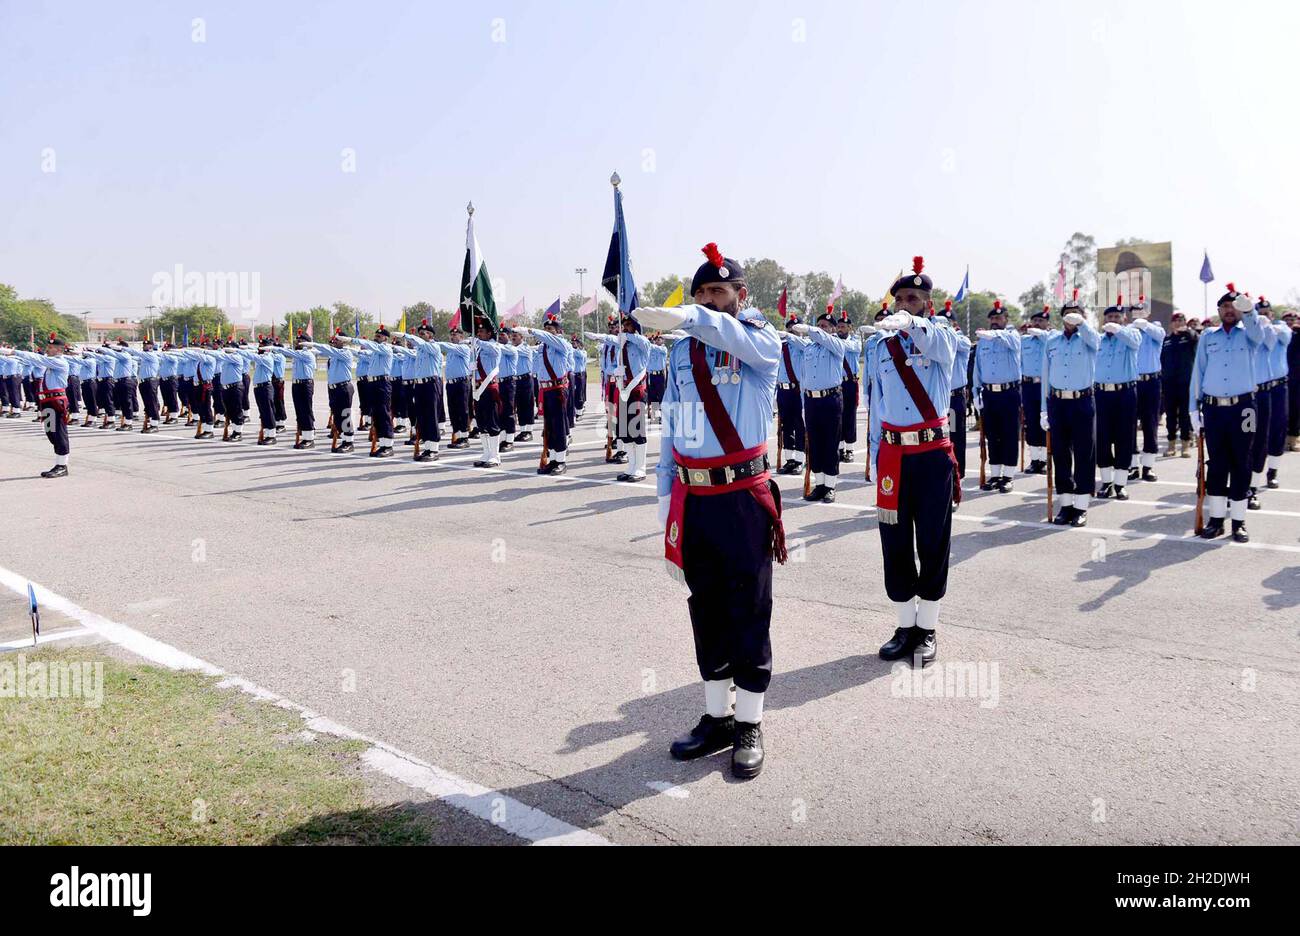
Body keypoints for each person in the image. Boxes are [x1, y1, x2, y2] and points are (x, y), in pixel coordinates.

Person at [637, 243, 783, 780]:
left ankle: (750, 722)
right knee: (707, 608)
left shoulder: (759, 342)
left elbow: (743, 342)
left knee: (749, 607)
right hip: (696, 498)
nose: (708, 299)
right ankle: (717, 715)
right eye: (700, 292)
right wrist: (663, 494)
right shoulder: (681, 355)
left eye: (719, 291)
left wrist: (694, 316)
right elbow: (675, 429)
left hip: (743, 498)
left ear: (741, 297)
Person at [867, 257, 959, 668]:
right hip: (893, 455)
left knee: (933, 543)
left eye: (914, 299)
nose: (905, 303)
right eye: (900, 298)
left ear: (928, 303)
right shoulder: (879, 346)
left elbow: (932, 340)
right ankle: (905, 626)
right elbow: (876, 403)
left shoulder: (941, 337)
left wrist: (908, 323)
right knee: (895, 542)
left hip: (930, 455)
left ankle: (928, 627)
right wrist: (874, 454)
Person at [1188, 284, 1265, 542]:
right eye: (1225, 307)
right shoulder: (1209, 336)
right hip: (1213, 409)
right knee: (1217, 464)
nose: (1229, 310)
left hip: (1244, 408)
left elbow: (1259, 332)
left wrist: (1250, 310)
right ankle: (1217, 520)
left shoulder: (1250, 333)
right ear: (1219, 310)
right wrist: (1193, 409)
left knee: (1242, 462)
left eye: (1233, 307)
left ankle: (1239, 522)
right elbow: (1198, 373)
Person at [1042, 290, 1100, 526]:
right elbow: (1045, 375)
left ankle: (1081, 507)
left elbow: (1096, 342)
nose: (1072, 318)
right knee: (1061, 455)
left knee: (1084, 454)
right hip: (1057, 402)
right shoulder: (1052, 341)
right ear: (1061, 318)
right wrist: (1043, 409)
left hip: (1082, 401)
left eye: (1077, 314)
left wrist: (1083, 324)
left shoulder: (1088, 338)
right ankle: (1065, 505)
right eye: (1068, 314)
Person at [787, 307, 853, 502]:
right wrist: (803, 402)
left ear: (832, 329)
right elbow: (804, 377)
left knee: (830, 443)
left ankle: (831, 486)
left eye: (825, 326)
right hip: (811, 400)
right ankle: (820, 484)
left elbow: (821, 338)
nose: (821, 328)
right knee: (815, 444)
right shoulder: (808, 348)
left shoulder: (837, 345)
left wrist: (809, 329)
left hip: (830, 399)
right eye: (819, 325)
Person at [1093, 297, 1141, 500]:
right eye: (1109, 317)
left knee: (1124, 437)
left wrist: (1119, 330)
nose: (1113, 320)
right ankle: (1106, 482)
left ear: (1124, 318)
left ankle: (1121, 484)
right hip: (1102, 393)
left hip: (1125, 393)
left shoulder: (1132, 334)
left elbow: (1135, 342)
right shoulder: (1098, 340)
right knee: (1102, 438)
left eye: (1117, 317)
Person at [972, 300, 1022, 491]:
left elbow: (1011, 342)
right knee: (993, 435)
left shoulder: (1012, 336)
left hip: (1009, 393)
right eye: (992, 318)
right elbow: (977, 368)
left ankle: (1008, 476)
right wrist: (976, 393)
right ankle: (995, 475)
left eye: (998, 318)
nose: (995, 321)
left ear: (1006, 320)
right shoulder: (984, 340)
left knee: (1009, 434)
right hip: (989, 394)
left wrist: (994, 334)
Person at [522, 308, 573, 475]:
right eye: (546, 329)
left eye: (551, 329)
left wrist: (531, 331)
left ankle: (561, 461)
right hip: (546, 389)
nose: (548, 332)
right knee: (549, 426)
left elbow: (548, 339)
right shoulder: (542, 347)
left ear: (558, 332)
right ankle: (552, 459)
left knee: (559, 425)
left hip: (558, 389)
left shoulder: (561, 344)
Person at [391, 320, 446, 462]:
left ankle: (434, 448)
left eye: (423, 333)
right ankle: (427, 447)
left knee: (431, 416)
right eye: (419, 334)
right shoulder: (420, 350)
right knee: (422, 416)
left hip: (430, 385)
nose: (420, 336)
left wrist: (406, 336)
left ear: (431, 335)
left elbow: (421, 344)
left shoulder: (434, 347)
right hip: (419, 385)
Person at [1127, 295, 1166, 482]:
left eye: (1142, 310)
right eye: (1135, 310)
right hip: (1132, 382)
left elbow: (1160, 335)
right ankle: (1133, 465)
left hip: (1151, 382)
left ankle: (1148, 465)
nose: (1139, 314)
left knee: (1150, 424)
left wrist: (1145, 325)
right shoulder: (1127, 331)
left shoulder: (1155, 329)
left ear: (1148, 313)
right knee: (1130, 424)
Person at [346, 327, 396, 457]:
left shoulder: (386, 348)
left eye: (379, 337)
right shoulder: (375, 351)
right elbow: (363, 353)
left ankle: (388, 445)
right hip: (373, 383)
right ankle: (382, 442)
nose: (376, 338)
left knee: (384, 413)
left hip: (382, 383)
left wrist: (352, 340)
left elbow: (371, 346)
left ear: (385, 338)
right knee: (377, 414)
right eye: (376, 336)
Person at [305, 330, 357, 453]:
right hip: (334, 388)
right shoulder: (334, 354)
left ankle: (349, 442)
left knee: (345, 414)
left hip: (344, 387)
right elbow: (321, 351)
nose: (335, 341)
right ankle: (344, 438)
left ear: (344, 341)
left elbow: (326, 349)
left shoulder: (346, 353)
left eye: (338, 339)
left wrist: (313, 344)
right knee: (337, 415)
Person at [1019, 305, 1052, 474]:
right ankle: (1035, 459)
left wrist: (1038, 332)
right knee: (1031, 422)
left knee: (1045, 422)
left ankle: (1046, 459)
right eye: (1035, 320)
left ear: (1048, 323)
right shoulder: (1024, 341)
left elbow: (1048, 336)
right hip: (1028, 385)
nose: (1037, 323)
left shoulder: (1051, 338)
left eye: (1041, 321)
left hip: (1045, 385)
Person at [271, 332, 319, 448]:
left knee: (306, 410)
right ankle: (305, 433)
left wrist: (273, 348)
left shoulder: (307, 354)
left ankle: (309, 438)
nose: (297, 342)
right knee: (299, 411)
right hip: (297, 385)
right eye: (297, 340)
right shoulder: (298, 354)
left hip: (305, 385)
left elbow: (289, 352)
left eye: (300, 340)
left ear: (306, 343)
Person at [1160, 311, 1197, 457]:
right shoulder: (1167, 340)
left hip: (1185, 382)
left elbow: (1196, 338)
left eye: (1181, 320)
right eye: (1176, 320)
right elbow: (1161, 360)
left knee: (1184, 415)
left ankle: (1185, 445)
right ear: (1171, 323)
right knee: (1170, 415)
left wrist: (1188, 330)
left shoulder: (1189, 337)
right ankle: (1171, 445)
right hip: (1169, 383)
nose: (1178, 323)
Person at [470, 317, 503, 467]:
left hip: (489, 387)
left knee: (492, 421)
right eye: (478, 332)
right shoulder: (478, 349)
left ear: (489, 333)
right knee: (481, 422)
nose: (479, 334)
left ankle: (495, 455)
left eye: (482, 332)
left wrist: (477, 342)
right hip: (478, 389)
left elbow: (494, 350)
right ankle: (486, 453)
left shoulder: (493, 346)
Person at [775, 314, 805, 475]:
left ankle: (800, 460)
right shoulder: (782, 347)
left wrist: (790, 336)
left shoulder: (804, 345)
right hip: (783, 391)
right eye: (789, 330)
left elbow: (804, 344)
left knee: (800, 426)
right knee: (785, 426)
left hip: (798, 390)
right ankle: (790, 460)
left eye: (794, 330)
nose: (791, 333)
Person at [834, 310, 863, 463]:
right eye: (838, 326)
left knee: (849, 416)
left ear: (850, 328)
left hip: (850, 382)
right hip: (837, 383)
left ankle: (850, 449)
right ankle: (839, 448)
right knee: (838, 416)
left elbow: (852, 348)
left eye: (843, 327)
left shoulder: (856, 341)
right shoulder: (833, 340)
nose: (840, 329)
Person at [442, 324, 474, 448]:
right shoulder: (451, 350)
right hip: (451, 384)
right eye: (451, 335)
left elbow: (447, 347)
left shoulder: (463, 348)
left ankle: (464, 437)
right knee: (453, 410)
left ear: (461, 337)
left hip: (461, 383)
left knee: (462, 410)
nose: (452, 337)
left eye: (455, 335)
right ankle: (457, 434)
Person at [495, 328, 519, 451]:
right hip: (499, 382)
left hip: (509, 382)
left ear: (509, 336)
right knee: (501, 411)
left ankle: (510, 440)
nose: (499, 336)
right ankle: (503, 438)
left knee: (509, 411)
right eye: (498, 334)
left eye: (502, 334)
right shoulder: (497, 348)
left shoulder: (511, 348)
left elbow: (499, 347)